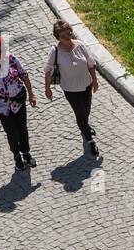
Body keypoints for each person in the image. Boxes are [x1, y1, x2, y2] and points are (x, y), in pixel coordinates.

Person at [0, 34, 38, 170]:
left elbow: (24, 75)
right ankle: (16, 156)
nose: (2, 51)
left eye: (3, 48)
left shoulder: (11, 58)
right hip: (2, 105)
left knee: (22, 129)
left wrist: (31, 94)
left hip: (18, 100)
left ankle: (26, 153)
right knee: (11, 132)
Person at [43, 19, 101, 157]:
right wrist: (47, 88)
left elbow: (90, 63)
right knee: (79, 113)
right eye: (63, 36)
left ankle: (84, 127)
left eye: (69, 34)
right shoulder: (55, 51)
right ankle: (90, 140)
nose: (67, 38)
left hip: (86, 85)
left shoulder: (80, 45)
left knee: (86, 110)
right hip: (70, 89)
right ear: (58, 37)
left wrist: (95, 80)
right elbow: (48, 70)